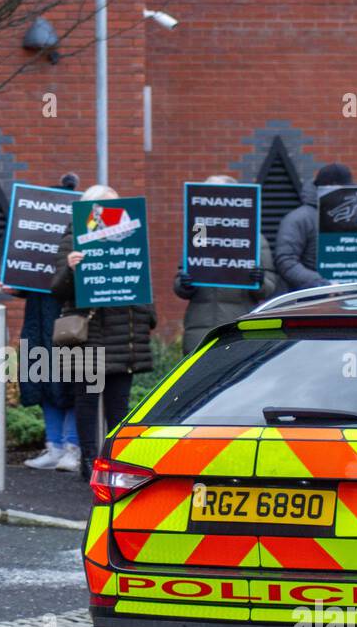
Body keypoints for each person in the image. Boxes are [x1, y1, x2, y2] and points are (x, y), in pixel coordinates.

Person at [50, 184, 156, 480]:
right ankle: (89, 460)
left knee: (118, 404)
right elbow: (57, 290)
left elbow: (140, 276)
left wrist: (149, 315)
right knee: (86, 399)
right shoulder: (73, 237)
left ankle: (115, 461)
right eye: (105, 208)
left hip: (124, 332)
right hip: (90, 333)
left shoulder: (131, 234)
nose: (112, 214)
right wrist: (71, 269)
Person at [174, 174, 281, 353]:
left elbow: (269, 288)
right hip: (200, 327)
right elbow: (179, 286)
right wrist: (185, 283)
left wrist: (258, 281)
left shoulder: (253, 238)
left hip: (236, 325)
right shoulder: (198, 235)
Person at [17, 173, 81, 472]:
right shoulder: (33, 236)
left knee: (69, 382)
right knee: (43, 379)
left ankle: (72, 446)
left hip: (68, 318)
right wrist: (16, 284)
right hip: (37, 317)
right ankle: (54, 446)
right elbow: (25, 272)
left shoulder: (82, 235)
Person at [274, 162, 354, 292]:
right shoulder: (299, 218)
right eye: (344, 189)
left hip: (347, 295)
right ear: (331, 188)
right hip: (307, 299)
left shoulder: (351, 215)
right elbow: (286, 262)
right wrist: (323, 284)